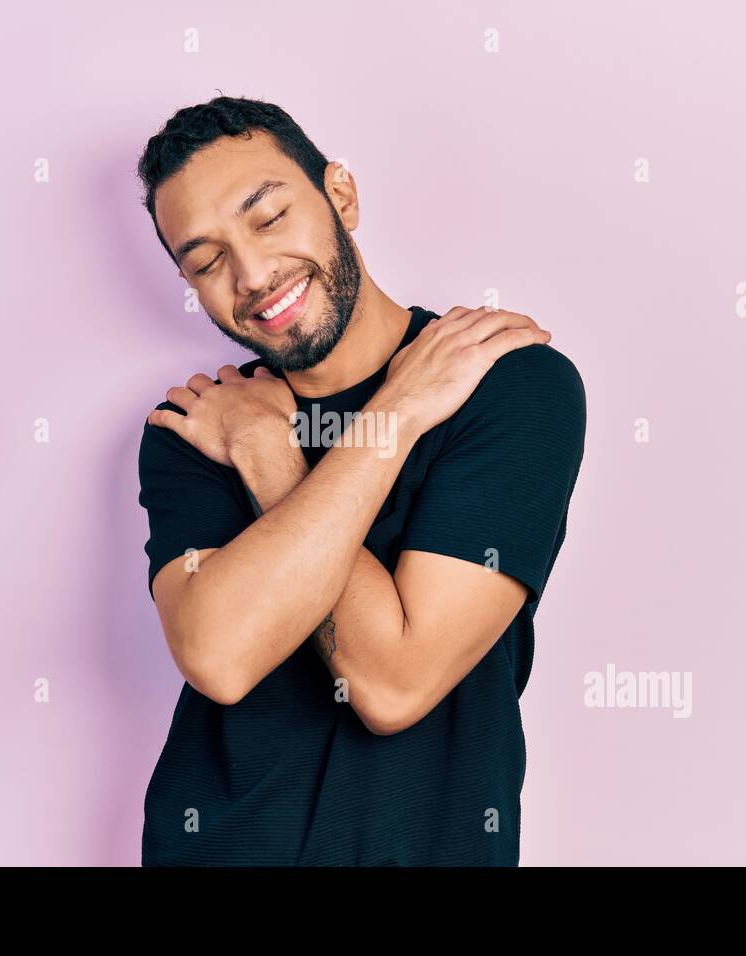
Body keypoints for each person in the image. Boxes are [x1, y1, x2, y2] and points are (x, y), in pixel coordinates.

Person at [134, 96, 586, 865]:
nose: (251, 274)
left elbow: (394, 685)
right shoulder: (200, 425)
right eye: (206, 261)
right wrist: (386, 420)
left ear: (340, 195)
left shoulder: (508, 387)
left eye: (269, 217)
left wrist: (278, 453)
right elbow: (219, 655)